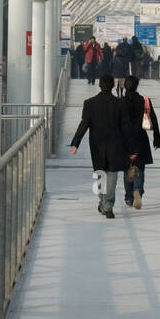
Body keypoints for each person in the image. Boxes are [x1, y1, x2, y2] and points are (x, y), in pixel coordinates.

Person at [70, 74, 131, 219]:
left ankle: (103, 202)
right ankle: (108, 205)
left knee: (99, 174)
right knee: (112, 175)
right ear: (113, 86)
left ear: (99, 85)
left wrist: (75, 143)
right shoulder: (120, 104)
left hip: (97, 145)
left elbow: (84, 124)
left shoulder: (90, 103)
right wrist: (130, 148)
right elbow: (126, 127)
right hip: (115, 144)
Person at [120, 75, 160, 210]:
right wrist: (157, 139)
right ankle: (138, 190)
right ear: (137, 86)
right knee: (140, 168)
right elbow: (153, 120)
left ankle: (128, 196)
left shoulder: (120, 102)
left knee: (127, 169)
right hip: (140, 139)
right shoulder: (144, 101)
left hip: (124, 139)